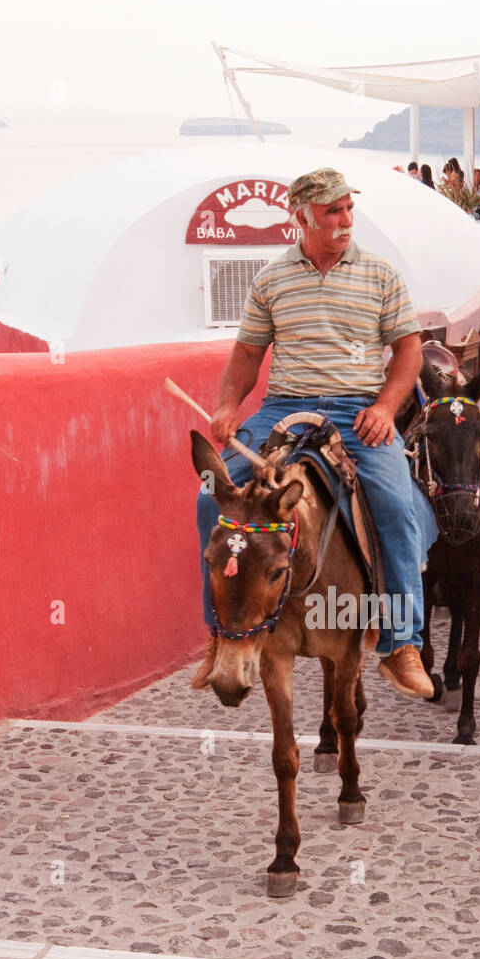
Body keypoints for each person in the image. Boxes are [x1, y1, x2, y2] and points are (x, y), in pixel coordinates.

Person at [193, 167, 434, 699]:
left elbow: (409, 352)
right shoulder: (271, 280)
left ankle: (401, 643)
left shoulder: (380, 275)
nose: (345, 220)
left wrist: (386, 407)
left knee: (395, 508)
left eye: (348, 208)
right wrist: (228, 405)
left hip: (356, 412)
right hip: (283, 408)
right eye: (332, 211)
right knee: (211, 497)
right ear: (300, 217)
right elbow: (248, 354)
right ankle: (218, 633)